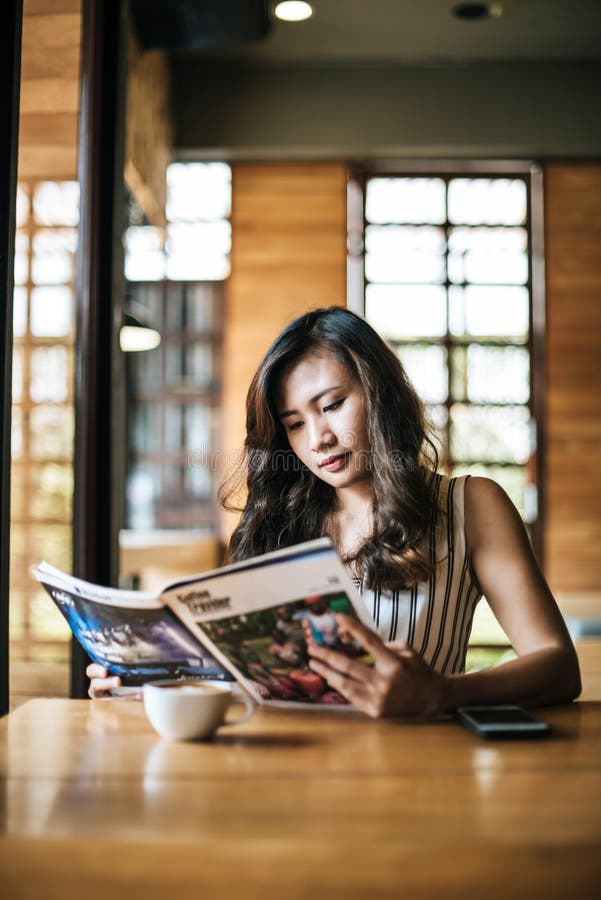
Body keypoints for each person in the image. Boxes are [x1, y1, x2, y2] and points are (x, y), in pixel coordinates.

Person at [88, 307, 581, 717]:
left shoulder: (470, 505)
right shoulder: (274, 523)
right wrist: (148, 682)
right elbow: (240, 678)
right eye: (295, 424)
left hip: (415, 780)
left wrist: (444, 693)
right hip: (277, 781)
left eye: (332, 404)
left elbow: (557, 665)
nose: (318, 439)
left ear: (380, 394)